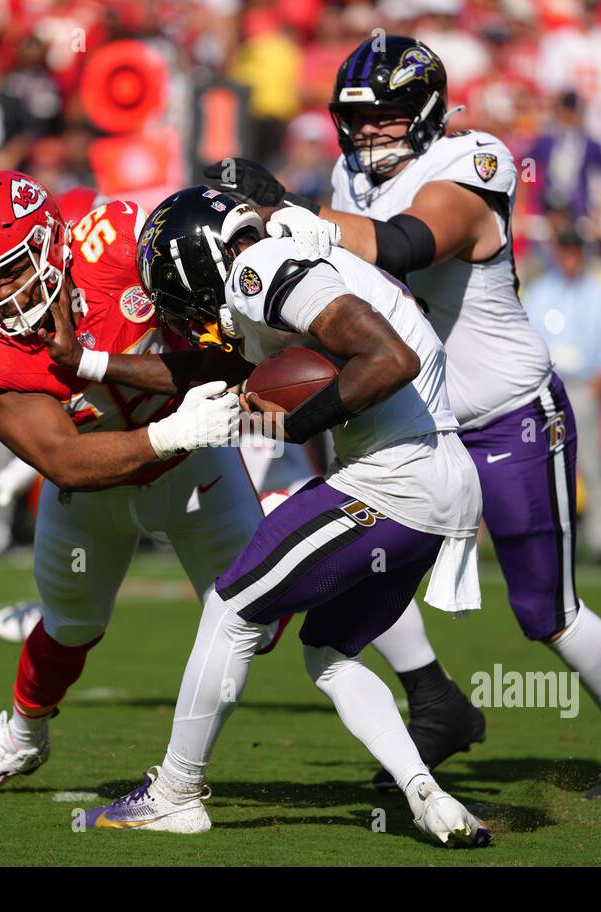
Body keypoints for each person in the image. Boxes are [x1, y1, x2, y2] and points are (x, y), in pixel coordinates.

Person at [210, 35, 601, 800]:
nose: (369, 135)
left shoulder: (472, 162)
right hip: (413, 421)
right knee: (364, 569)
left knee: (541, 609)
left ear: (425, 115)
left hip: (506, 414)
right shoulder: (346, 183)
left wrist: (291, 212)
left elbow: (409, 243)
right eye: (356, 120)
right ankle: (435, 700)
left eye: (388, 118)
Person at [68, 186, 488, 846]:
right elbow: (210, 367)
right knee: (327, 651)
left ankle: (177, 792)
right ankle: (427, 795)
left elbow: (389, 359)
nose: (190, 312)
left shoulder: (255, 269)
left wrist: (296, 423)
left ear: (200, 262)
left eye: (179, 293)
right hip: (443, 476)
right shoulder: (279, 265)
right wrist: (92, 363)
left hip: (392, 478)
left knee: (232, 607)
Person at [0, 172, 259, 797]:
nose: (1, 296)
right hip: (95, 491)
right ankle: (23, 740)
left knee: (258, 627)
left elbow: (224, 335)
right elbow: (64, 460)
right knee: (69, 629)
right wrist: (170, 434)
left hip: (194, 474)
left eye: (11, 270)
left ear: (51, 240)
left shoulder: (116, 244)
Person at [524, 227, 601, 563]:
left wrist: (596, 389)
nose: (569, 258)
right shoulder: (539, 292)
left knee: (592, 466)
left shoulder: (599, 295)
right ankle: (543, 539)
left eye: (574, 251)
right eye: (564, 251)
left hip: (584, 387)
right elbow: (524, 341)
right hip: (544, 387)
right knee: (540, 468)